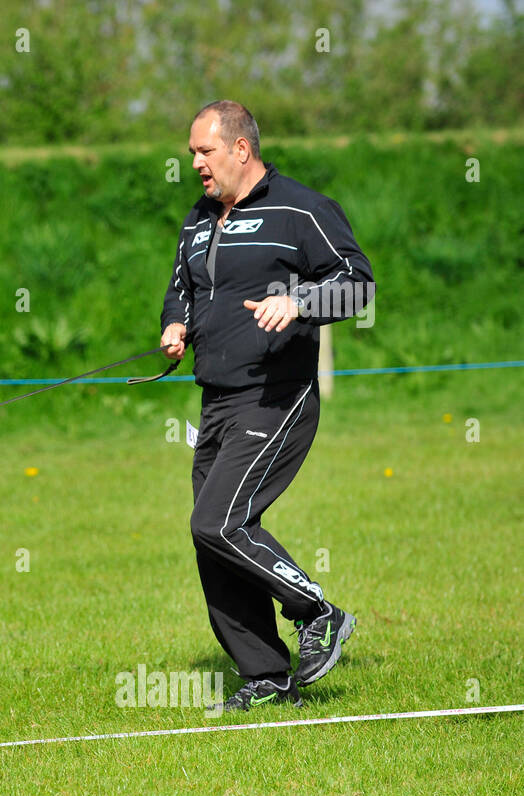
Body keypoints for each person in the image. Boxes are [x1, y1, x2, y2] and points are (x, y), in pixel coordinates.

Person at [159, 100, 374, 711]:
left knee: (217, 522)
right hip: (217, 398)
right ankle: (266, 674)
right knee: (214, 539)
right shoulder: (199, 219)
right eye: (193, 152)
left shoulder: (301, 209)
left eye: (205, 151)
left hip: (276, 397)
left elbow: (358, 283)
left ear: (241, 149)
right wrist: (178, 325)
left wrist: (301, 301)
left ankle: (319, 613)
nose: (195, 163)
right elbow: (184, 285)